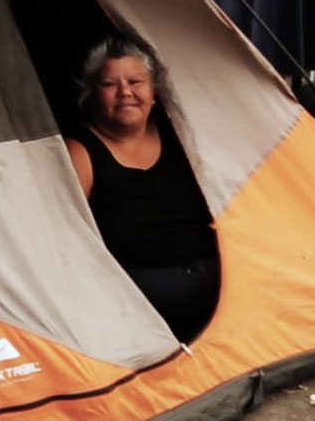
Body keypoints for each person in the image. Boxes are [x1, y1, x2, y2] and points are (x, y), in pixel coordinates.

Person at [64, 36, 220, 343]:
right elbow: (68, 241)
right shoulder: (82, 153)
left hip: (215, 278)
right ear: (91, 95)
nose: (125, 92)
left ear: (153, 93)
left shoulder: (181, 137)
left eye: (136, 81)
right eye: (109, 84)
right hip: (135, 292)